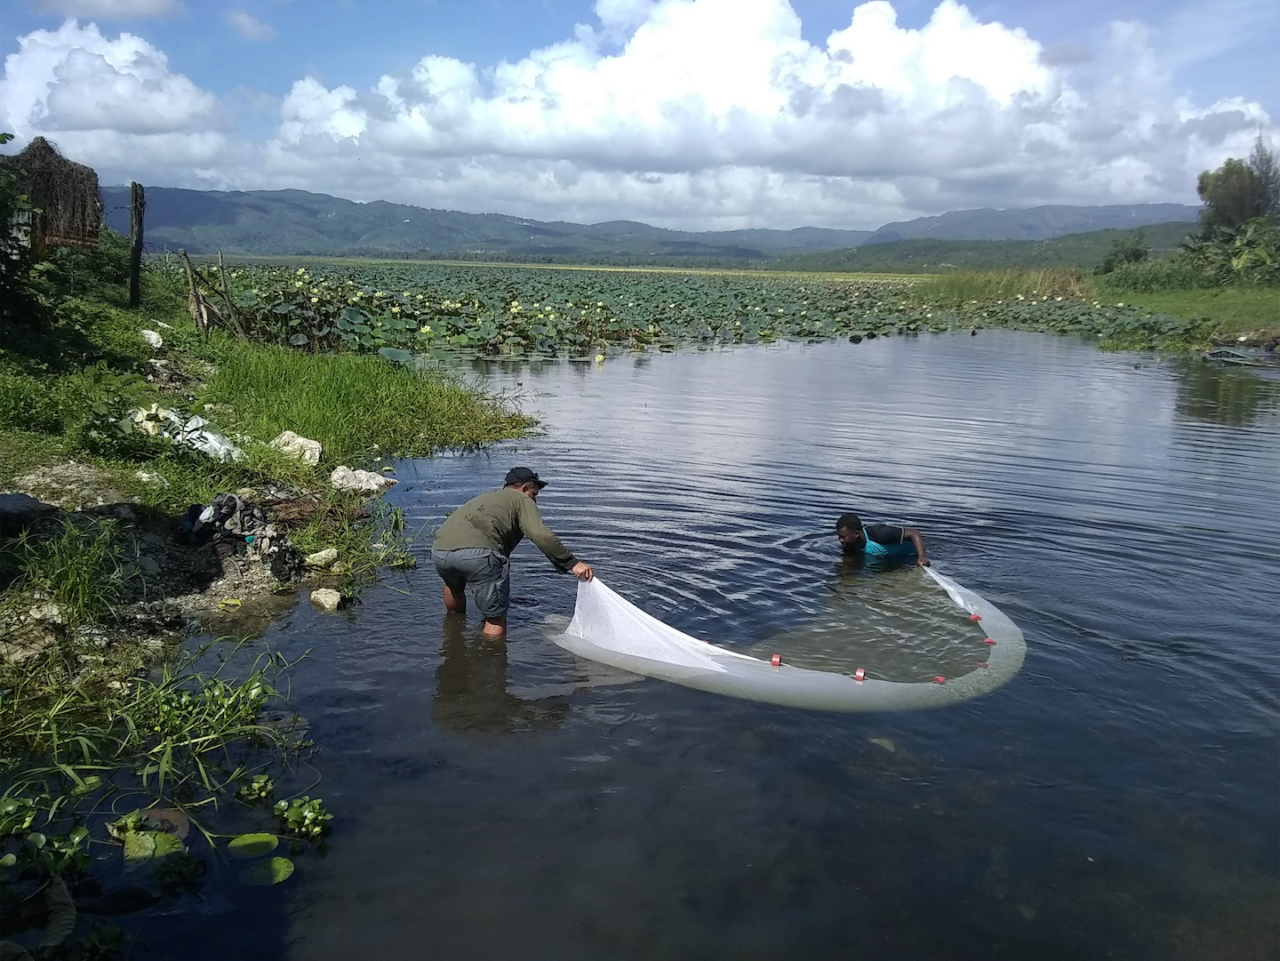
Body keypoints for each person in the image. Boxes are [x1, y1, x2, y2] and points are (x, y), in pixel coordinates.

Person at [431, 467, 593, 638]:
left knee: (453, 587)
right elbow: (540, 534)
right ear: (523, 489)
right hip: (478, 555)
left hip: (440, 551)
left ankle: (453, 637)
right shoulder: (522, 500)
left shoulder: (487, 498)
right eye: (534, 494)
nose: (535, 500)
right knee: (495, 618)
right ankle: (491, 659)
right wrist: (572, 563)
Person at [835, 512, 930, 566]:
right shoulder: (850, 545)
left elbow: (914, 533)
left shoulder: (880, 533)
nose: (840, 540)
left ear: (856, 534)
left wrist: (921, 557)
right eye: (839, 537)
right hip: (889, 559)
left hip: (911, 555)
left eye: (843, 537)